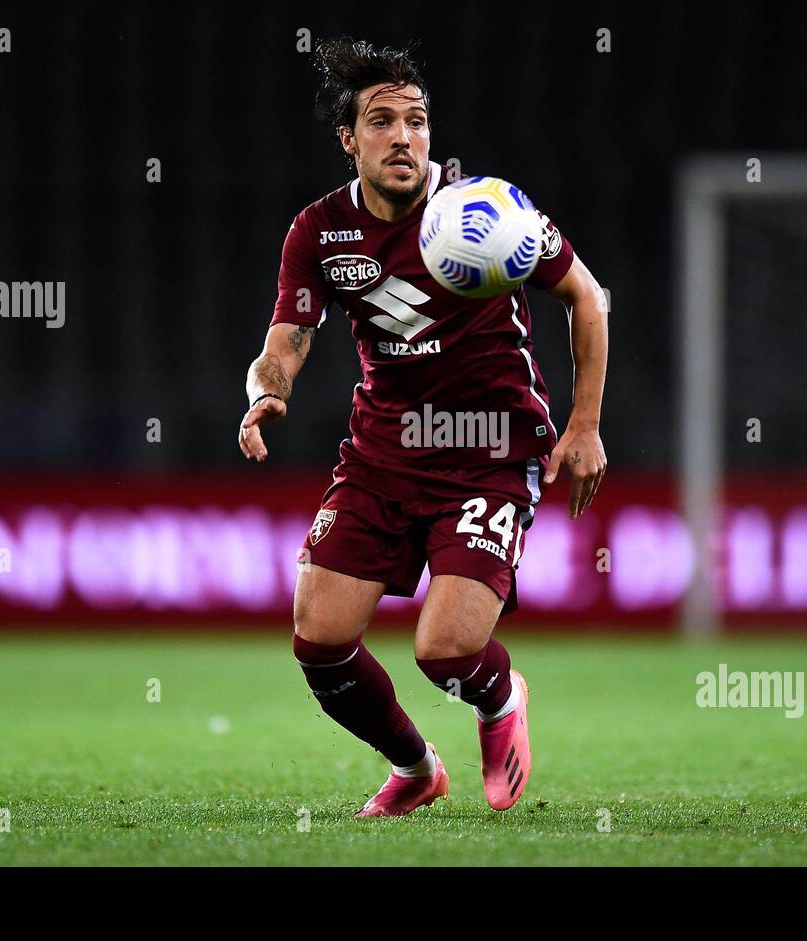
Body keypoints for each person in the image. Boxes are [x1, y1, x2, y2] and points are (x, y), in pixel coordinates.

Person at [239, 40, 609, 816]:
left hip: (490, 451)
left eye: (417, 121)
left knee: (445, 651)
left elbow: (586, 295)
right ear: (349, 140)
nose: (404, 137)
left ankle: (500, 698)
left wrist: (584, 424)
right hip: (385, 453)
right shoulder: (319, 232)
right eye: (382, 122)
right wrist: (266, 393)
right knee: (319, 641)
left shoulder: (487, 211)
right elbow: (285, 341)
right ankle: (415, 767)